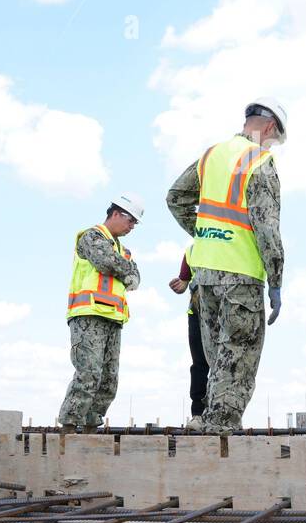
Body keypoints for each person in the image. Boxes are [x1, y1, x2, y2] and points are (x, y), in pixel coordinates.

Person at [165, 98, 287, 434]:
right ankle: (219, 432)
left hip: (204, 277)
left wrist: (207, 233)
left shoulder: (211, 155)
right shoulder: (260, 160)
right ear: (270, 128)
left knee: (218, 358)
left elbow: (176, 197)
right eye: (276, 139)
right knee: (239, 360)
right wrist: (276, 279)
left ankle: (208, 422)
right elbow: (267, 228)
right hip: (241, 276)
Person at [58, 192, 144, 432]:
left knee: (108, 379)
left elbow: (135, 278)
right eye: (131, 221)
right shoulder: (91, 236)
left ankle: (89, 428)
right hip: (88, 314)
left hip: (113, 318)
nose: (132, 227)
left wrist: (125, 269)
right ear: (116, 214)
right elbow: (104, 261)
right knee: (89, 373)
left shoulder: (123, 251)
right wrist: (126, 270)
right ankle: (69, 426)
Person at [169, 247, 211, 429]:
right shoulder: (192, 250)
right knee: (199, 365)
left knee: (226, 366)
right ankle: (198, 415)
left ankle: (225, 413)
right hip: (197, 313)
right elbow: (184, 281)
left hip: (225, 313)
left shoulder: (229, 239)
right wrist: (180, 285)